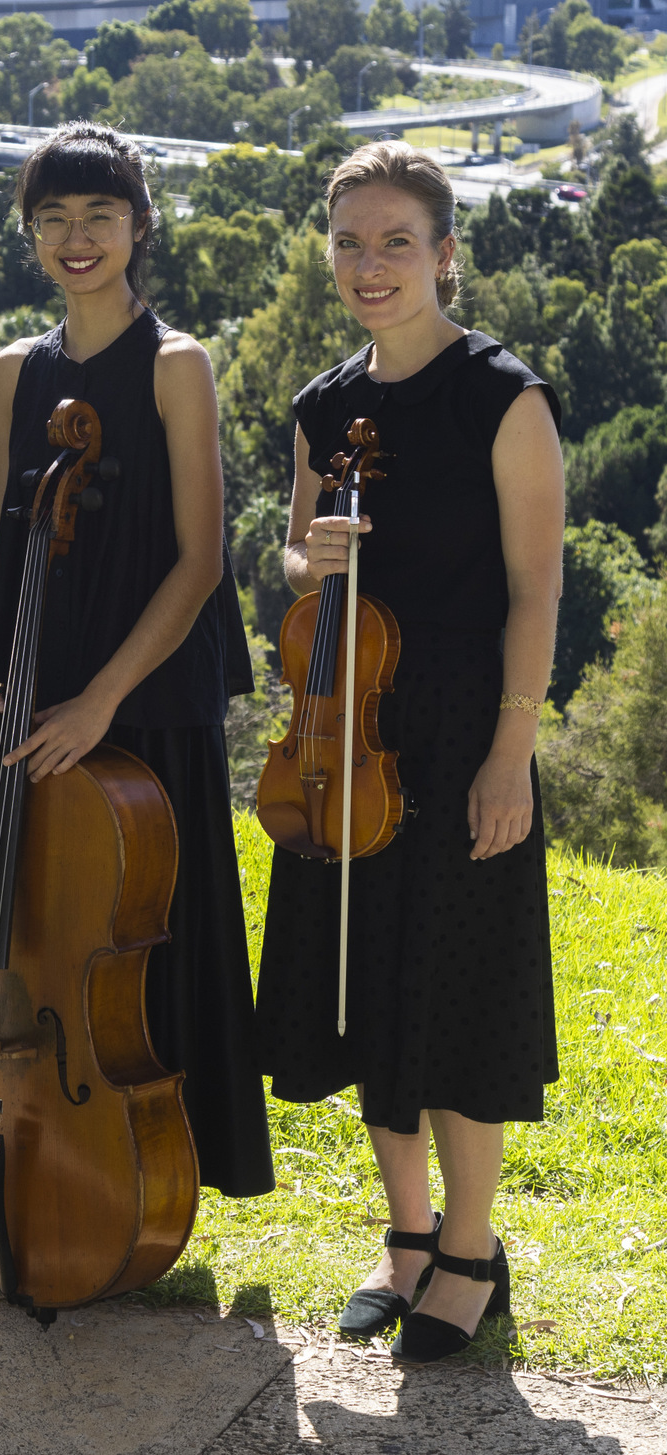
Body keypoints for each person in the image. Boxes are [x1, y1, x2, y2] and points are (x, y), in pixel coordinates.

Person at [255, 140, 564, 1363]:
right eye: (348, 243)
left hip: (455, 728)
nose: (368, 266)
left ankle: (473, 1255)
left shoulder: (504, 397)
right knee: (363, 985)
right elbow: (289, 557)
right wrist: (305, 560)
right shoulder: (324, 408)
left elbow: (537, 588)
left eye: (394, 243)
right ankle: (406, 1237)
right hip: (347, 730)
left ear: (444, 253)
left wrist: (511, 750)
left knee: (453, 991)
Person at [0, 121, 274, 1201]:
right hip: (36, 681)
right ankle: (43, 1155)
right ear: (31, 236)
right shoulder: (13, 370)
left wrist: (101, 702)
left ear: (139, 226)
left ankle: (152, 1171)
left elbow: (199, 562)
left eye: (97, 217)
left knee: (150, 945)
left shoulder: (176, 364)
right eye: (52, 220)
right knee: (35, 932)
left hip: (139, 696)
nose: (75, 238)